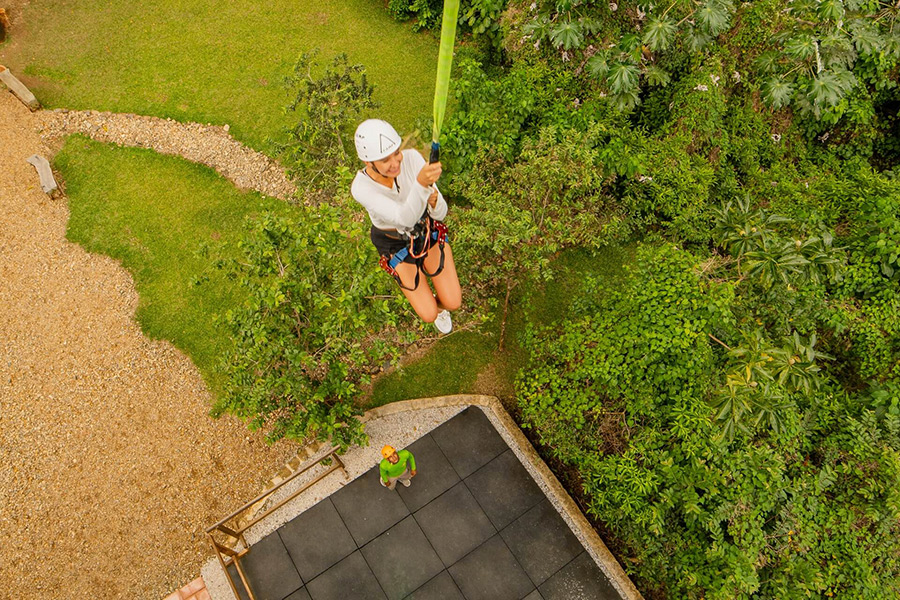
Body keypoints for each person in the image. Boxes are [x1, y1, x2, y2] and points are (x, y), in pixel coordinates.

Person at [351, 119, 462, 333]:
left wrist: (435, 201)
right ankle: (434, 307)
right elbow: (403, 219)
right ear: (368, 162)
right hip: (394, 242)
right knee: (429, 314)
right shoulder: (361, 188)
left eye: (396, 153)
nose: (395, 163)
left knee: (453, 302)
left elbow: (441, 214)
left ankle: (442, 307)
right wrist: (421, 185)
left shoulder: (411, 159)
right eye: (385, 159)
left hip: (425, 228)